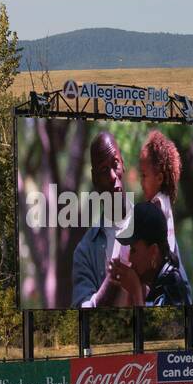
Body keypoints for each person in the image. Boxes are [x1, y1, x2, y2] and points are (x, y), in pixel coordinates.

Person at [71, 132, 131, 308]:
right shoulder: (85, 250)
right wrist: (112, 281)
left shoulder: (151, 224)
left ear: (123, 165)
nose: (113, 176)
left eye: (115, 164)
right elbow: (82, 307)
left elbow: (178, 289)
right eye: (104, 170)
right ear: (95, 179)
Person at [112, 201, 192, 306]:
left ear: (153, 252)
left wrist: (136, 292)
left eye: (133, 250)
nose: (130, 259)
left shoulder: (172, 289)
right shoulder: (159, 283)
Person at [138, 128, 189, 290]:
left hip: (169, 280)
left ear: (159, 178)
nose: (141, 182)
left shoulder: (158, 202)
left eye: (144, 176)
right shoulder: (164, 199)